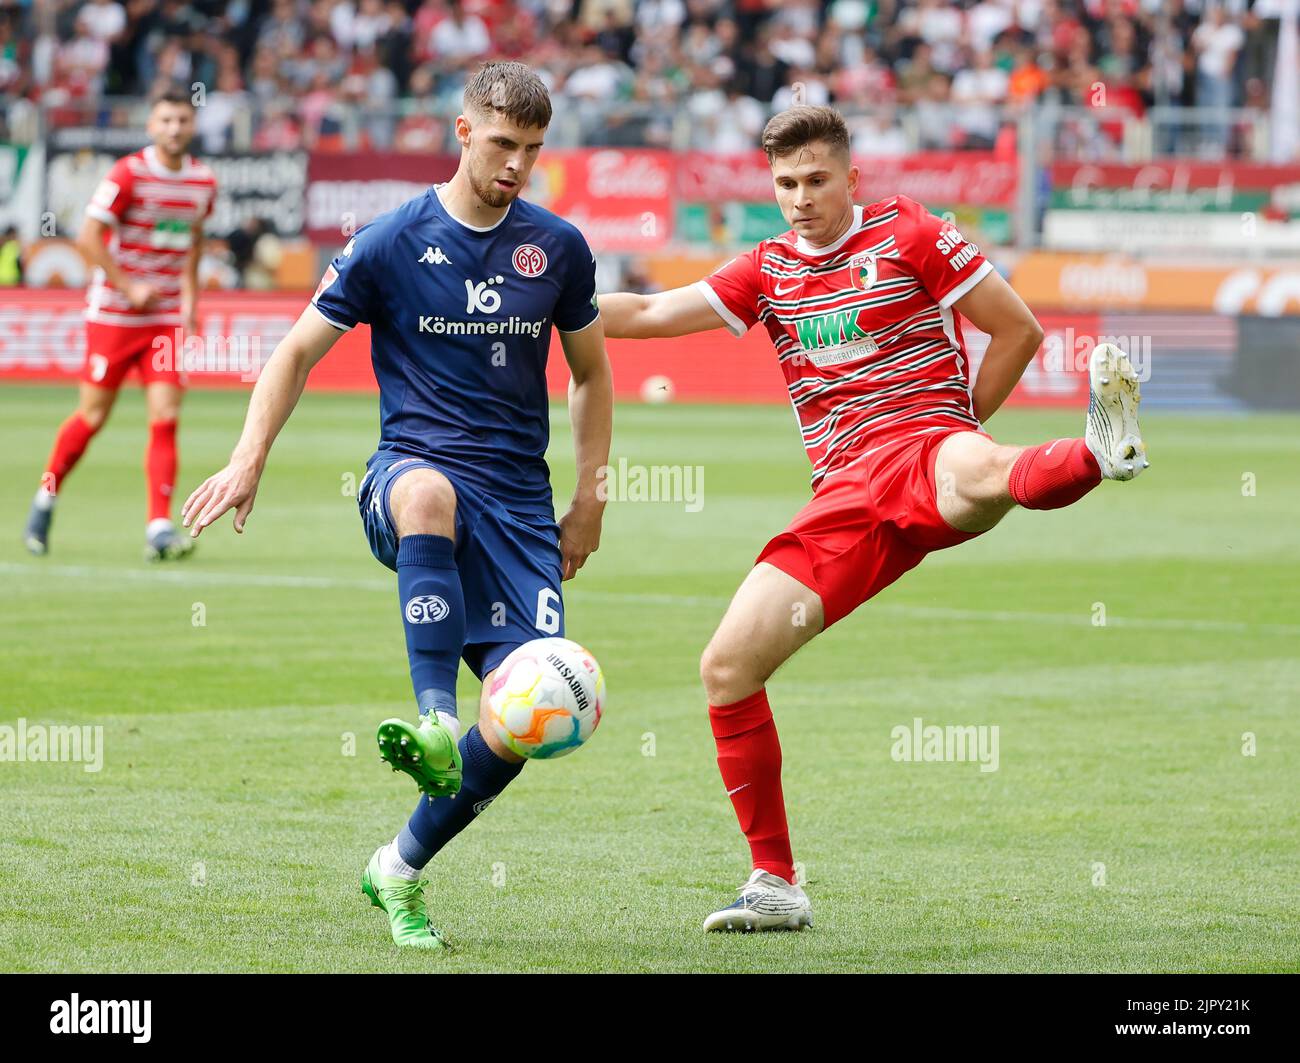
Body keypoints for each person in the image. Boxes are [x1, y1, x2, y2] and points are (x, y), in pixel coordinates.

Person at [598, 105, 1148, 933]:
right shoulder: (768, 269)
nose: (800, 197)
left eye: (817, 179)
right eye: (786, 183)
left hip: (928, 449)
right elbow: (642, 315)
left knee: (981, 469)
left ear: (852, 178)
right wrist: (533, 304)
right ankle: (775, 883)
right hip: (843, 502)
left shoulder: (910, 233)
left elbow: (1019, 329)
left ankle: (1097, 450)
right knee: (726, 668)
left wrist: (959, 418)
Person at [181, 62, 613, 950]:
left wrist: (590, 499)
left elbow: (594, 373)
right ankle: (433, 716)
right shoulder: (388, 241)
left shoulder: (558, 247)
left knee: (533, 711)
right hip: (408, 477)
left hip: (523, 510)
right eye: (501, 145)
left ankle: (399, 868)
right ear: (462, 133)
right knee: (428, 488)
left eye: (532, 150)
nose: (516, 166)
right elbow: (295, 351)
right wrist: (247, 457)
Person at [23, 85, 215, 560]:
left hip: (166, 319)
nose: (174, 129)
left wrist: (189, 301)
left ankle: (159, 527)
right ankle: (46, 495)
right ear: (152, 126)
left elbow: (193, 244)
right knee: (91, 418)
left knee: (166, 418)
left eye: (182, 121)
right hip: (114, 314)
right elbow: (88, 238)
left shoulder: (203, 183)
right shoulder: (128, 173)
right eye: (165, 120)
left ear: (192, 127)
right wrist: (129, 288)